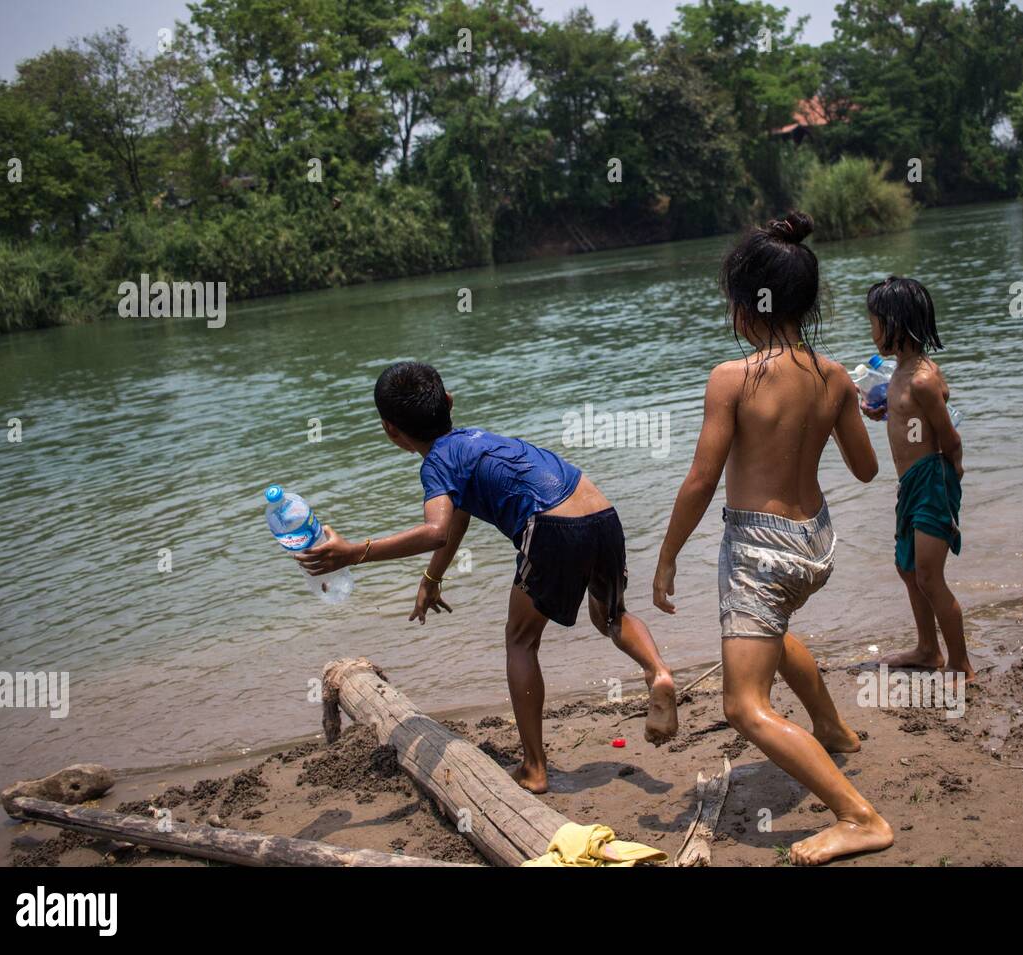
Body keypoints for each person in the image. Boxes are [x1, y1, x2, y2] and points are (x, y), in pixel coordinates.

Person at [298, 361, 678, 793]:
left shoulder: (437, 463)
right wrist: (432, 578)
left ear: (390, 430)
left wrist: (355, 552)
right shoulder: (475, 442)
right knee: (611, 616)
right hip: (598, 511)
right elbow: (457, 519)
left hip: (551, 526)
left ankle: (534, 769)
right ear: (449, 402)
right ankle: (658, 672)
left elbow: (436, 529)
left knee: (520, 640)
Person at [653, 211, 894, 864]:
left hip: (759, 551)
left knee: (743, 706)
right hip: (814, 546)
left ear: (744, 305)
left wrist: (667, 556)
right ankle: (834, 729)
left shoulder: (732, 379)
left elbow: (702, 480)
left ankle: (859, 816)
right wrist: (871, 408)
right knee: (771, 633)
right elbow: (867, 470)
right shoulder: (836, 375)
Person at [859, 277, 974, 682]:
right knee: (907, 569)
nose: (871, 332)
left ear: (895, 323)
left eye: (874, 322)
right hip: (910, 483)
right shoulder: (899, 373)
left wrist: (951, 476)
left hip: (932, 480)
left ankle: (960, 662)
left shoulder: (923, 378)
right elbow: (912, 422)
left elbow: (948, 436)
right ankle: (928, 649)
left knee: (928, 575)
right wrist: (883, 412)